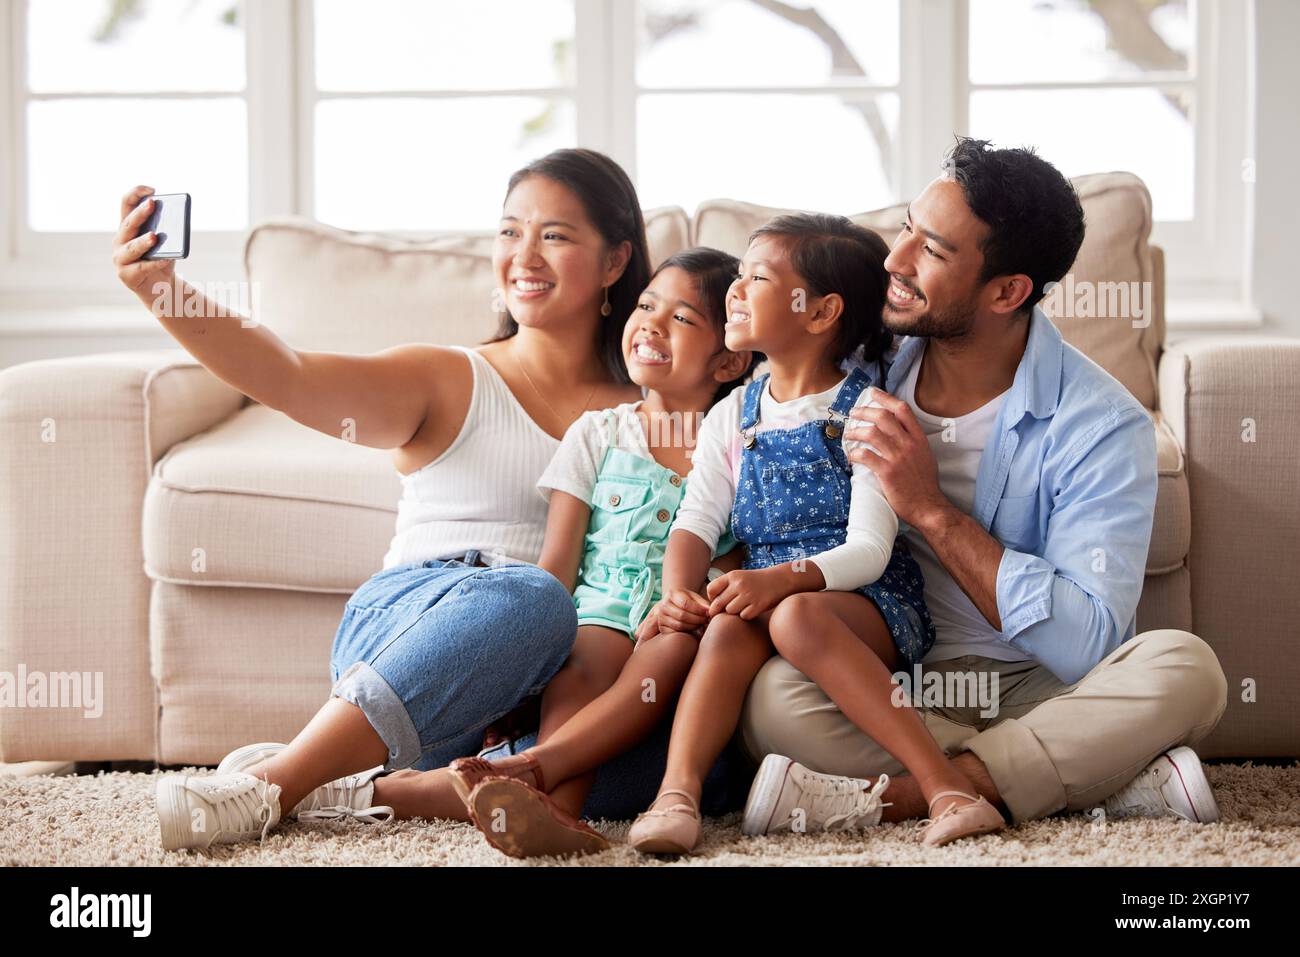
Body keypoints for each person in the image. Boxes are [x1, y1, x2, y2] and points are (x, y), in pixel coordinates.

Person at [112, 148, 669, 850]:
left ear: (616, 261)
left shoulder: (656, 411)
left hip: (551, 688)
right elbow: (287, 376)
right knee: (535, 599)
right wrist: (164, 291)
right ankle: (274, 784)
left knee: (688, 746)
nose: (524, 255)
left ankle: (377, 789)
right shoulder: (445, 377)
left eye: (554, 235)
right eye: (509, 231)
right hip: (427, 635)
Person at [739, 137, 1229, 839]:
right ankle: (1097, 778)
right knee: (769, 699)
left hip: (1042, 685)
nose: (894, 261)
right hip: (896, 681)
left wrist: (931, 510)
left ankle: (915, 793)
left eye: (931, 252)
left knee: (1190, 669)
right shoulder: (858, 365)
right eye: (907, 227)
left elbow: (1086, 645)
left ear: (1008, 290)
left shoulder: (1102, 424)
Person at [612, 212, 1001, 856]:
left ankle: (946, 789)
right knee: (726, 623)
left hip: (863, 604)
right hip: (764, 597)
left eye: (756, 278)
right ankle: (675, 795)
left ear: (819, 313)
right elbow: (696, 522)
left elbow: (870, 553)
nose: (735, 290)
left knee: (793, 618)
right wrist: (678, 592)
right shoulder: (730, 415)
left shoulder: (869, 413)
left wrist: (780, 582)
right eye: (739, 275)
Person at [443, 247, 756, 857]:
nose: (652, 324)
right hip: (597, 613)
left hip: (676, 622)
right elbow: (557, 565)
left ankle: (529, 777)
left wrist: (691, 599)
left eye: (683, 319)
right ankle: (549, 803)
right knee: (586, 658)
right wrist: (531, 652)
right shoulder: (599, 433)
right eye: (646, 306)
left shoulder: (739, 448)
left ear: (728, 359)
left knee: (666, 653)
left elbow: (744, 553)